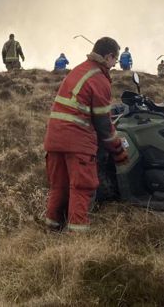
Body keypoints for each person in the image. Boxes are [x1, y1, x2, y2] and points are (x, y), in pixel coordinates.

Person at [44, 37, 128, 232]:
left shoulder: (80, 70)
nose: (115, 64)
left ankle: (51, 230)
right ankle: (77, 239)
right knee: (82, 188)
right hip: (76, 142)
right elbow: (103, 124)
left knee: (59, 187)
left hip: (54, 139)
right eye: (114, 60)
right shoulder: (98, 79)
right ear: (108, 56)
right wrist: (117, 150)